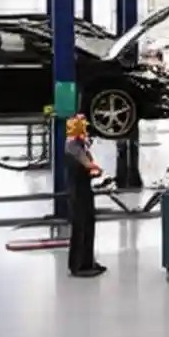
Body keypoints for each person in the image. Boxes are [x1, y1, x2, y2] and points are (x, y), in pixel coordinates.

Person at [65, 115, 106, 278]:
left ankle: (88, 261)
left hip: (83, 189)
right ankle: (79, 265)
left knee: (88, 224)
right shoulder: (73, 146)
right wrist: (95, 169)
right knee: (81, 226)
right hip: (78, 192)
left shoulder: (79, 145)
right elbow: (87, 165)